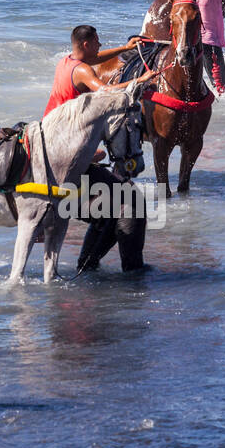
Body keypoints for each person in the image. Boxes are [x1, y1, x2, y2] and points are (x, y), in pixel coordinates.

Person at [45, 26, 154, 272]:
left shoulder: (66, 63)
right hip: (67, 156)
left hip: (53, 146)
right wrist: (140, 81)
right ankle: (132, 271)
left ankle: (88, 264)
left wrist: (126, 49)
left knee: (116, 200)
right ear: (86, 44)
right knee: (131, 200)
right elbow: (104, 91)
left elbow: (95, 59)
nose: (100, 46)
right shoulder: (83, 71)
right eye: (97, 42)